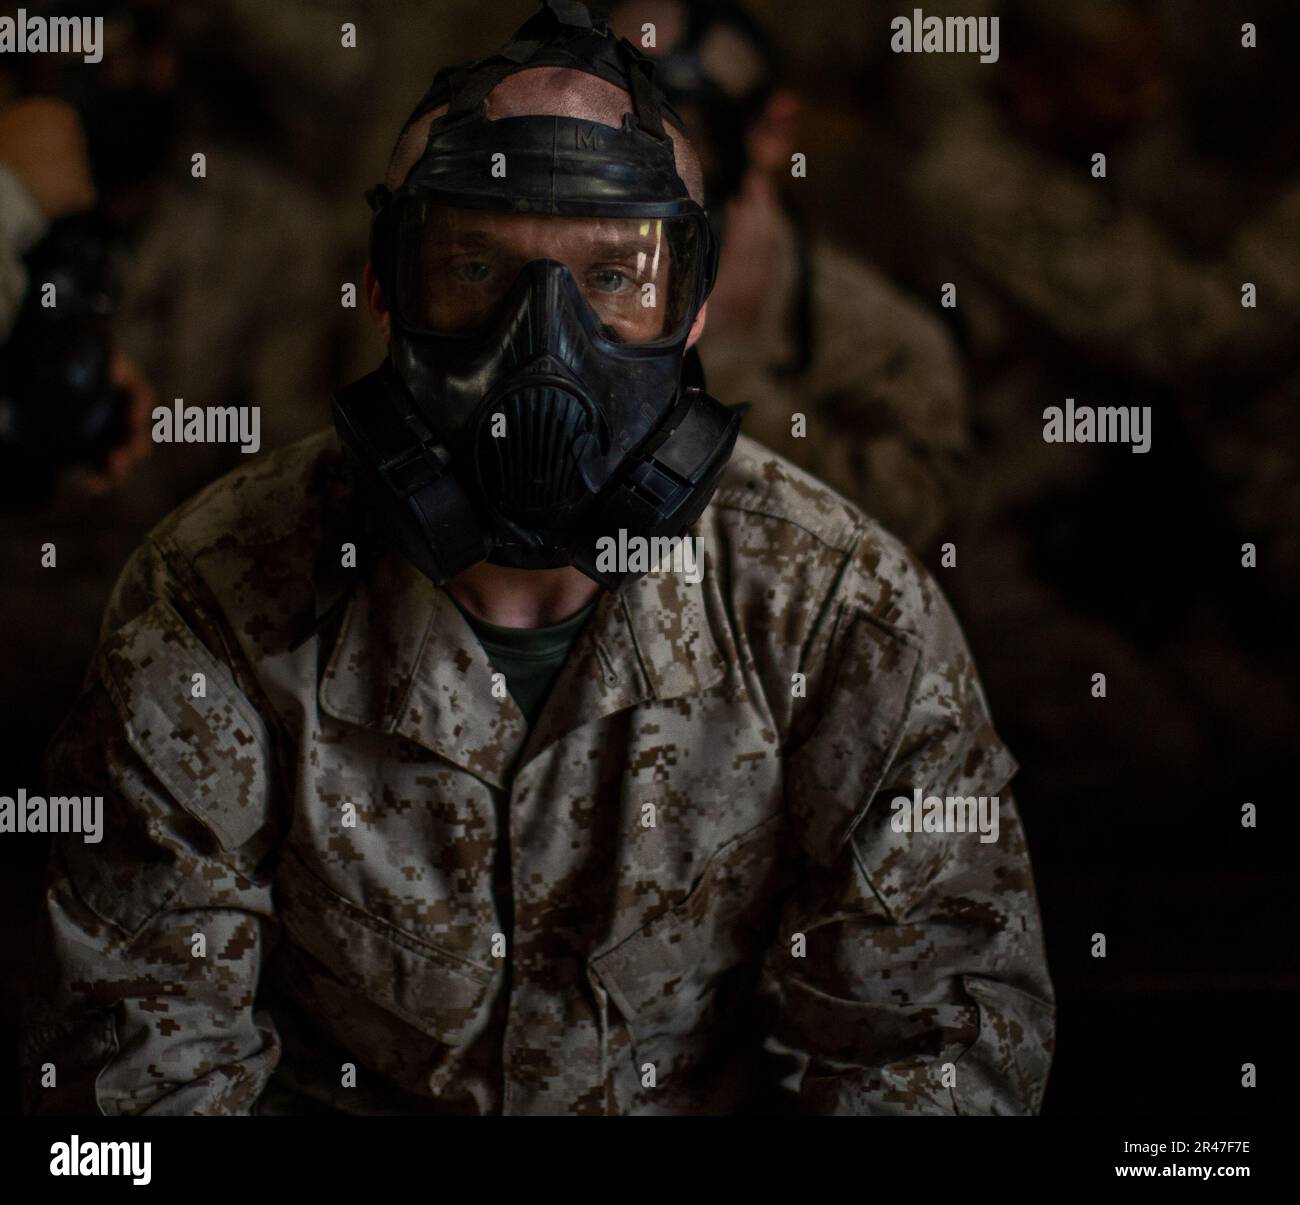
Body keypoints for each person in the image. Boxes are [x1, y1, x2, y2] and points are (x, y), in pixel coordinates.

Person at [22, 1, 1052, 1116]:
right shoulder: (213, 597)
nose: (545, 348)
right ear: (381, 290)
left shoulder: (839, 612)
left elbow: (935, 1051)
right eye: (473, 264)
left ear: (691, 307)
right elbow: (141, 1082)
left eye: (614, 277)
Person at [608, 0, 970, 554]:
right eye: (601, 123)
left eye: (687, 128)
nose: (632, 165)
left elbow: (899, 538)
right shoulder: (523, 271)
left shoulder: (877, 340)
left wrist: (725, 363)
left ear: (771, 132)